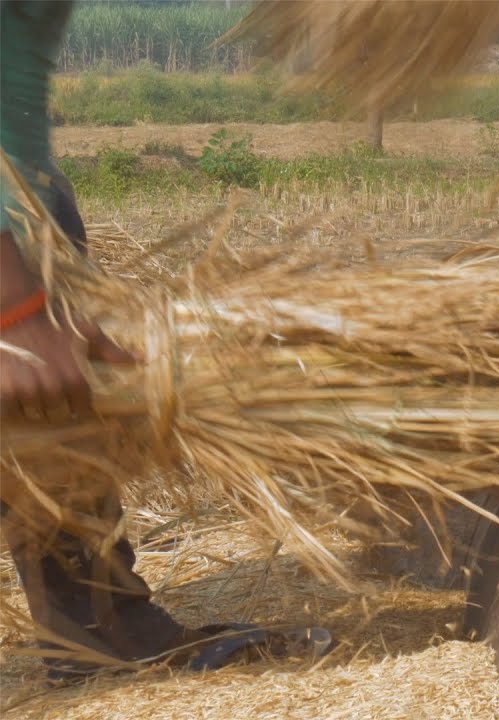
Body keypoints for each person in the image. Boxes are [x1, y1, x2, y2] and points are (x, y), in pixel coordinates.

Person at [1, 1, 330, 679]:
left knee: (54, 408)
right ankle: (103, 629)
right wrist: (15, 308)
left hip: (20, 196)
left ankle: (97, 628)